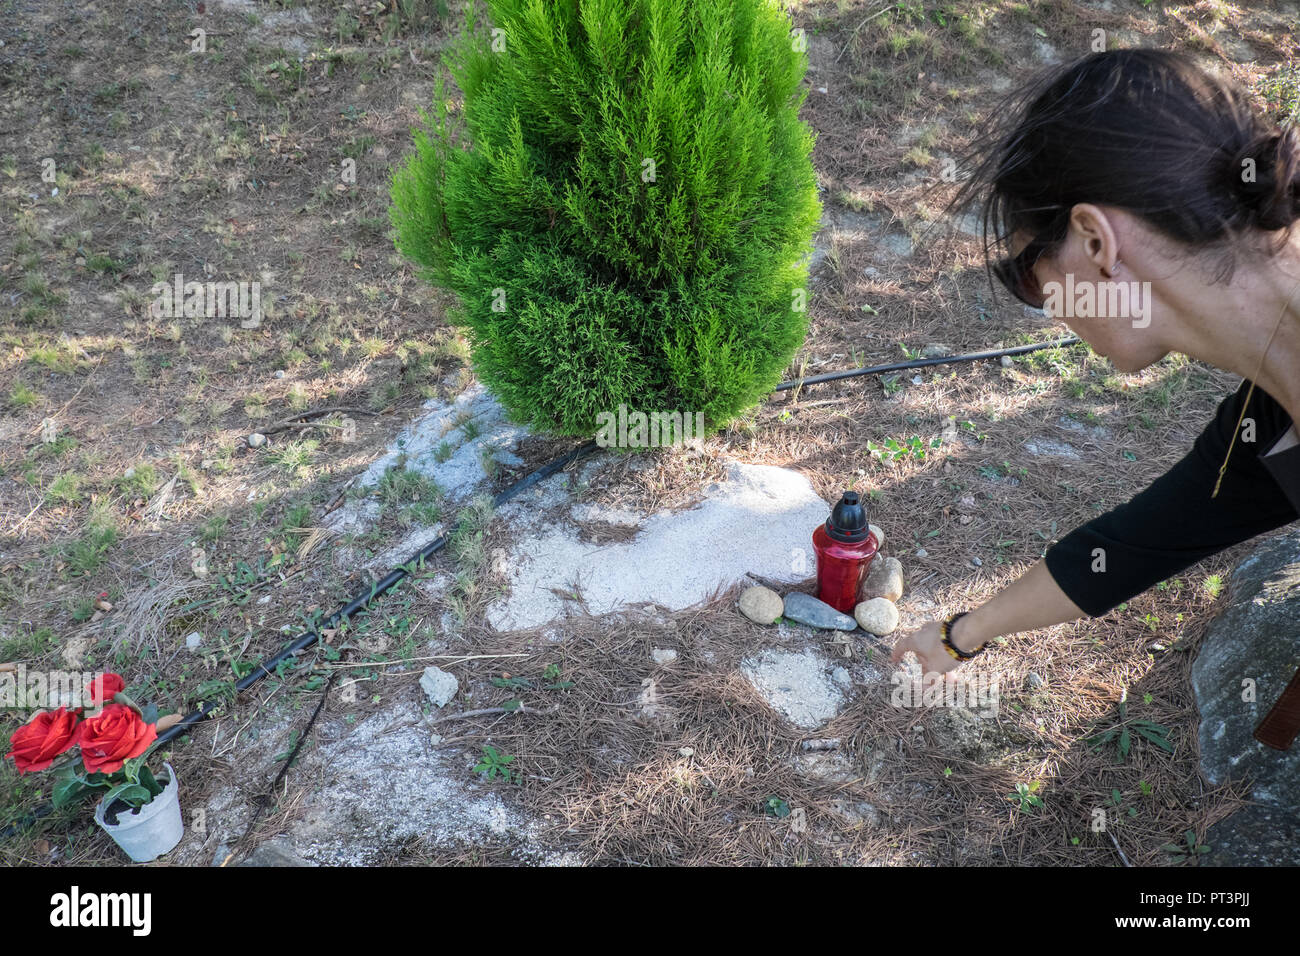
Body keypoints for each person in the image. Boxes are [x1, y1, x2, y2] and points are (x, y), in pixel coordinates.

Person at [892, 49, 1300, 673]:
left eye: (1033, 275)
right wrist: (961, 635)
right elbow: (1141, 541)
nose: (1050, 308)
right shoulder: (1271, 416)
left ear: (1094, 241)